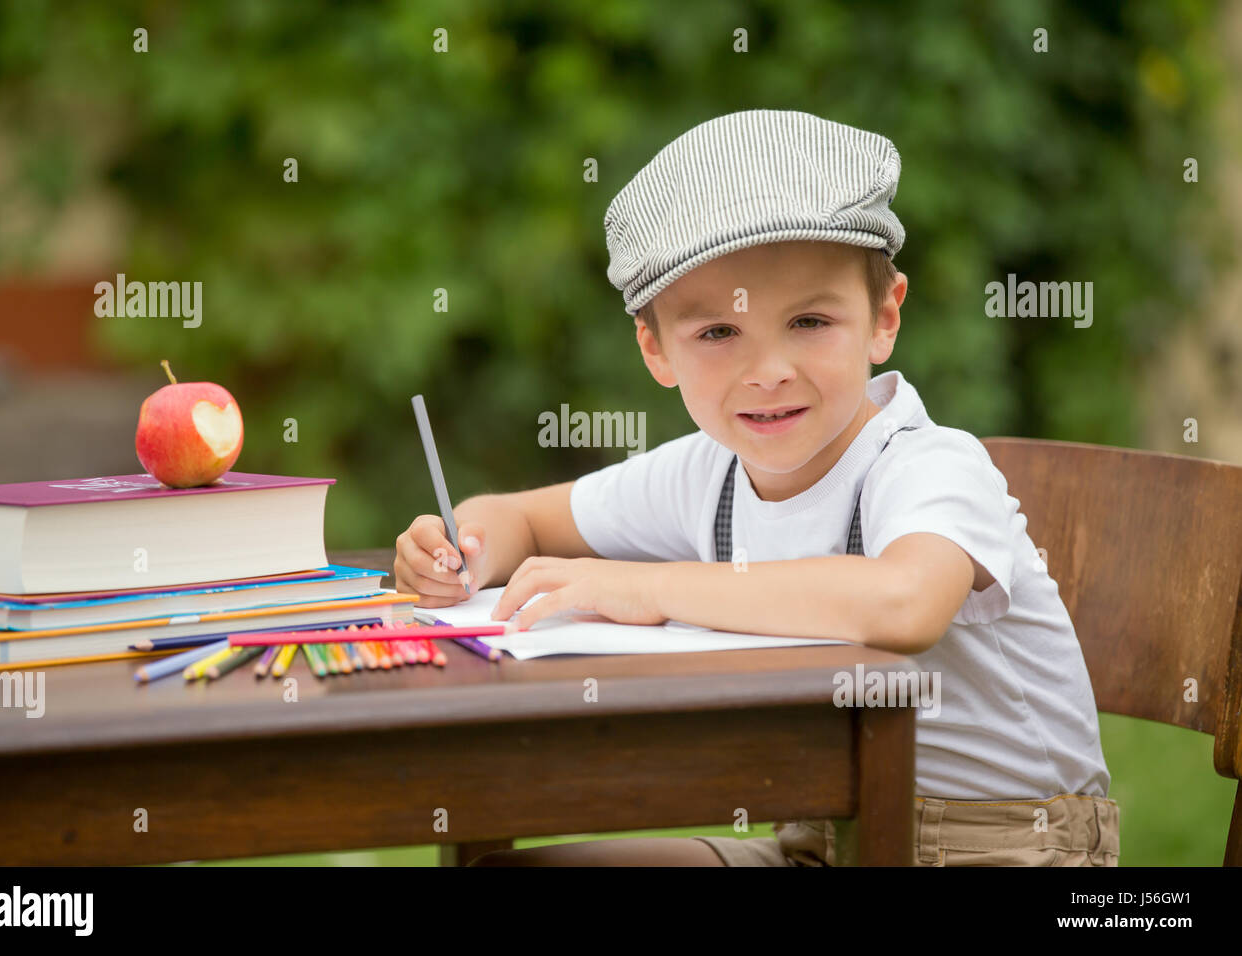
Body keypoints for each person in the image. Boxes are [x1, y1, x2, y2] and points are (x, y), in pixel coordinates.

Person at [394, 110, 1118, 866]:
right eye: (717, 333)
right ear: (656, 348)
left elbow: (905, 603)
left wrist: (654, 590)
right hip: (817, 842)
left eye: (808, 320)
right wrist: (461, 550)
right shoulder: (710, 474)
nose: (768, 369)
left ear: (883, 317)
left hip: (1003, 849)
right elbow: (522, 519)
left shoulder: (927, 463)